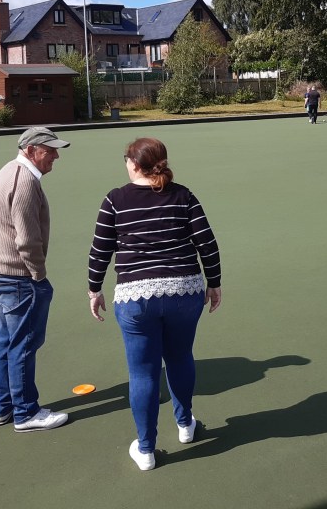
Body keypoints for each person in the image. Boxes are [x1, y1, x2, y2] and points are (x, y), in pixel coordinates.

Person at [88, 137, 222, 471]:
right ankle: (185, 425)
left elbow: (100, 251)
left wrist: (94, 290)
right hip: (184, 291)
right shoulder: (183, 195)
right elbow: (207, 242)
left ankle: (146, 449)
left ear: (133, 163)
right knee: (180, 358)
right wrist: (215, 282)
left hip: (136, 298)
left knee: (143, 373)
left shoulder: (114, 200)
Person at [0, 126, 71, 432]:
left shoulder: (9, 171)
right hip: (16, 276)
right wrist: (39, 275)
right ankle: (26, 412)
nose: (55, 155)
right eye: (50, 150)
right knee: (23, 345)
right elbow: (27, 238)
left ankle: (2, 407)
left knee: (5, 341)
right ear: (31, 150)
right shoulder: (25, 181)